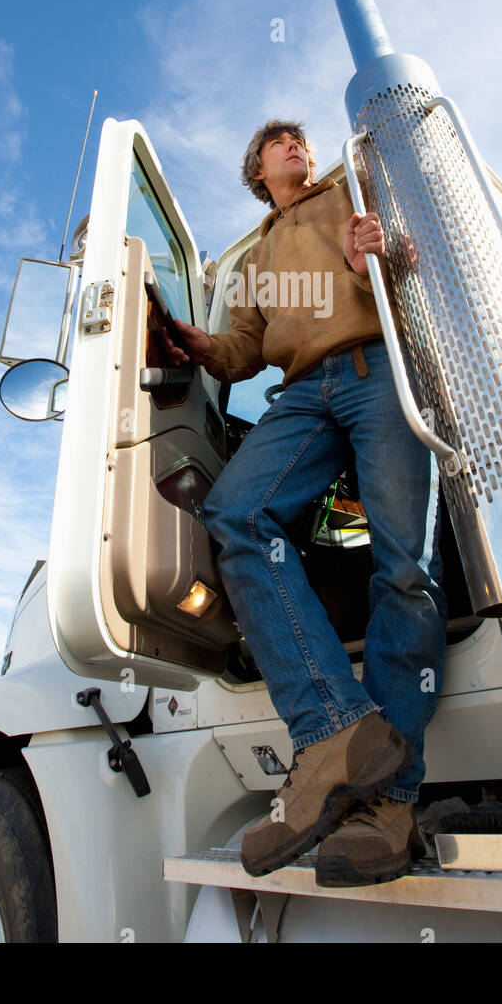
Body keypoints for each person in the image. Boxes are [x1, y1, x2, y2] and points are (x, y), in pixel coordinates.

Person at [166, 120, 447, 888]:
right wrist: (198, 344)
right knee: (236, 513)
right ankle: (334, 729)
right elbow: (244, 348)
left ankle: (389, 807)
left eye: (300, 139)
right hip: (303, 394)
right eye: (278, 143)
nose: (297, 146)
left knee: (403, 568)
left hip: (377, 369)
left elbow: (414, 263)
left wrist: (383, 251)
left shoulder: (351, 190)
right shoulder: (257, 254)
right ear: (257, 170)